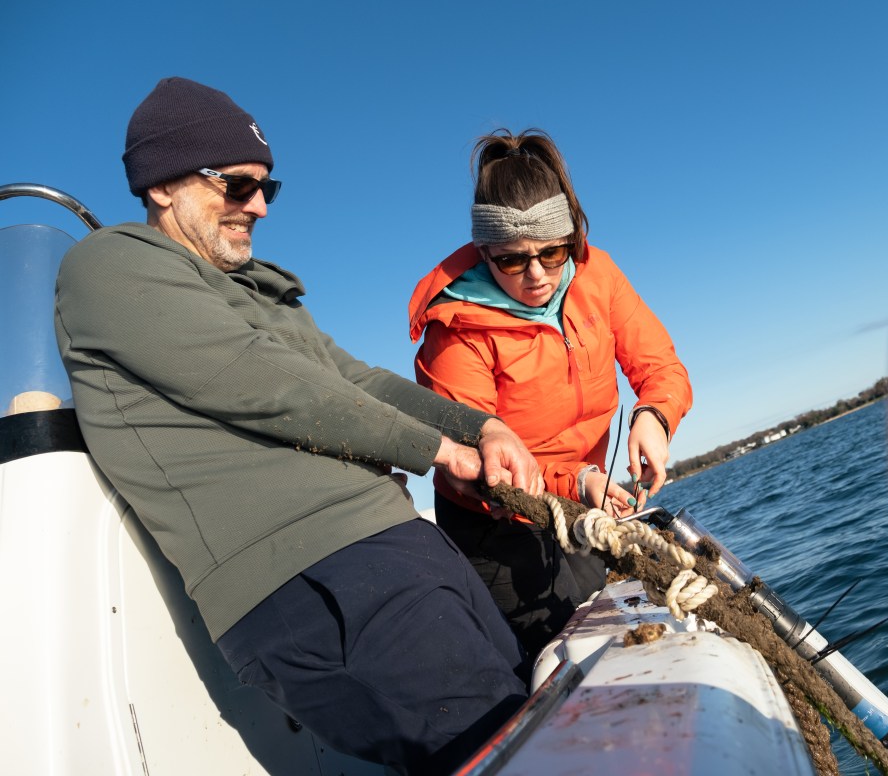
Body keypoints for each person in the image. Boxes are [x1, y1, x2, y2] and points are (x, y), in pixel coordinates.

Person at [54, 77, 541, 775]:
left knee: (530, 718)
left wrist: (481, 427)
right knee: (507, 751)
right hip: (315, 578)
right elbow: (259, 382)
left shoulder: (260, 291)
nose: (257, 205)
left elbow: (356, 380)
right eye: (237, 185)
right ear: (162, 184)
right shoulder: (106, 265)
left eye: (266, 189)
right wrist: (439, 452)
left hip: (402, 548)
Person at [408, 129, 693, 654]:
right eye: (512, 260)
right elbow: (484, 466)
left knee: (617, 623)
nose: (536, 274)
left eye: (553, 252)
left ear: (571, 240)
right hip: (497, 529)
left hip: (584, 500)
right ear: (483, 251)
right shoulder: (454, 330)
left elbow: (660, 366)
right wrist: (578, 479)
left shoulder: (597, 275)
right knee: (557, 653)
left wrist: (654, 414)